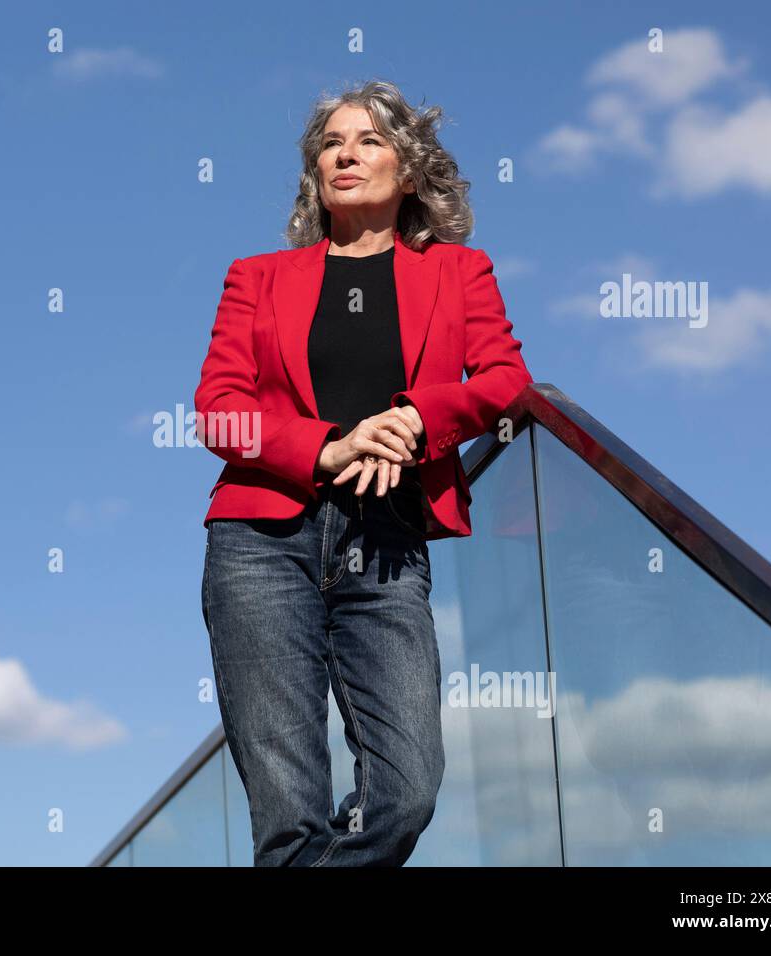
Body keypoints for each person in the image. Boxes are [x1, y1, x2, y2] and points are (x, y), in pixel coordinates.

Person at [194, 79, 533, 866]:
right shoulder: (257, 277)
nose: (345, 153)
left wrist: (418, 418)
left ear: (409, 172)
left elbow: (505, 381)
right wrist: (330, 448)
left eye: (370, 140)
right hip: (260, 540)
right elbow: (218, 408)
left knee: (408, 786)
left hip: (385, 542)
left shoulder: (459, 272)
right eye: (331, 143)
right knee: (289, 814)